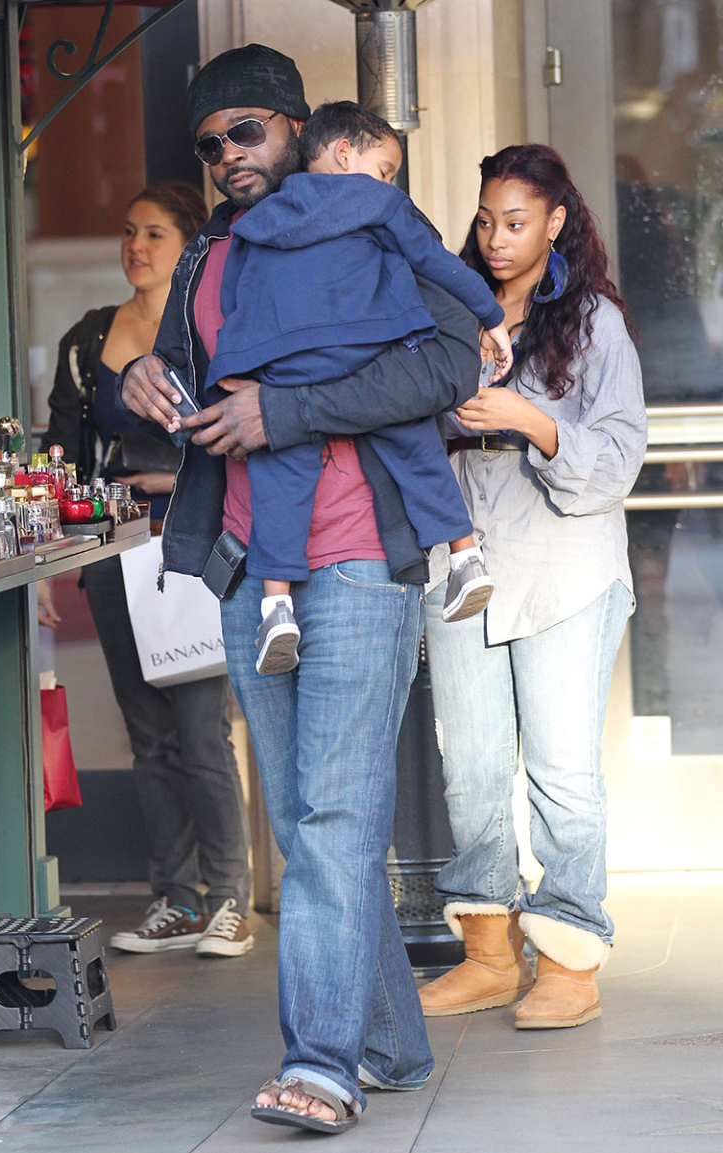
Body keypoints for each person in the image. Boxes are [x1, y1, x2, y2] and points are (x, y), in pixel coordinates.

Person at [118, 43, 483, 1134]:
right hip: (249, 566)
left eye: (247, 131)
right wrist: (145, 382)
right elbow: (190, 380)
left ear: (295, 126)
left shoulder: (369, 217)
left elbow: (451, 364)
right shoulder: (210, 254)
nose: (229, 155)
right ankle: (393, 1040)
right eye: (210, 144)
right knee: (311, 819)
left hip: (362, 555)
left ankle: (321, 1062)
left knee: (331, 818)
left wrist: (288, 413)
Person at [417, 144, 647, 1029]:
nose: (496, 238)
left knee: (560, 769)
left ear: (555, 221)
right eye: (485, 220)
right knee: (471, 766)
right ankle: (487, 953)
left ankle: (569, 957)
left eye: (515, 222)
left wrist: (531, 420)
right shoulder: (450, 310)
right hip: (460, 556)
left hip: (564, 562)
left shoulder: (592, 321)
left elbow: (618, 456)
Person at [205, 100, 513, 674]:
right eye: (385, 168)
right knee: (413, 442)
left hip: (287, 363)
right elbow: (437, 263)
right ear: (345, 154)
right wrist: (491, 316)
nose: (389, 182)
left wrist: (236, 361)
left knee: (279, 475)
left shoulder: (257, 221)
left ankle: (276, 607)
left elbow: (237, 294)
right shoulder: (378, 203)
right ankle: (465, 557)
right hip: (363, 348)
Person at [40, 181, 254, 960]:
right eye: (129, 231)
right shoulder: (88, 337)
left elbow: (237, 431)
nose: (136, 246)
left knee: (201, 732)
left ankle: (229, 898)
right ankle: (178, 898)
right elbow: (61, 456)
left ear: (189, 245)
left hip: (189, 547)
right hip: (112, 554)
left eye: (154, 233)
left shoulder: (212, 326)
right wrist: (44, 564)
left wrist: (173, 477)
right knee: (149, 738)